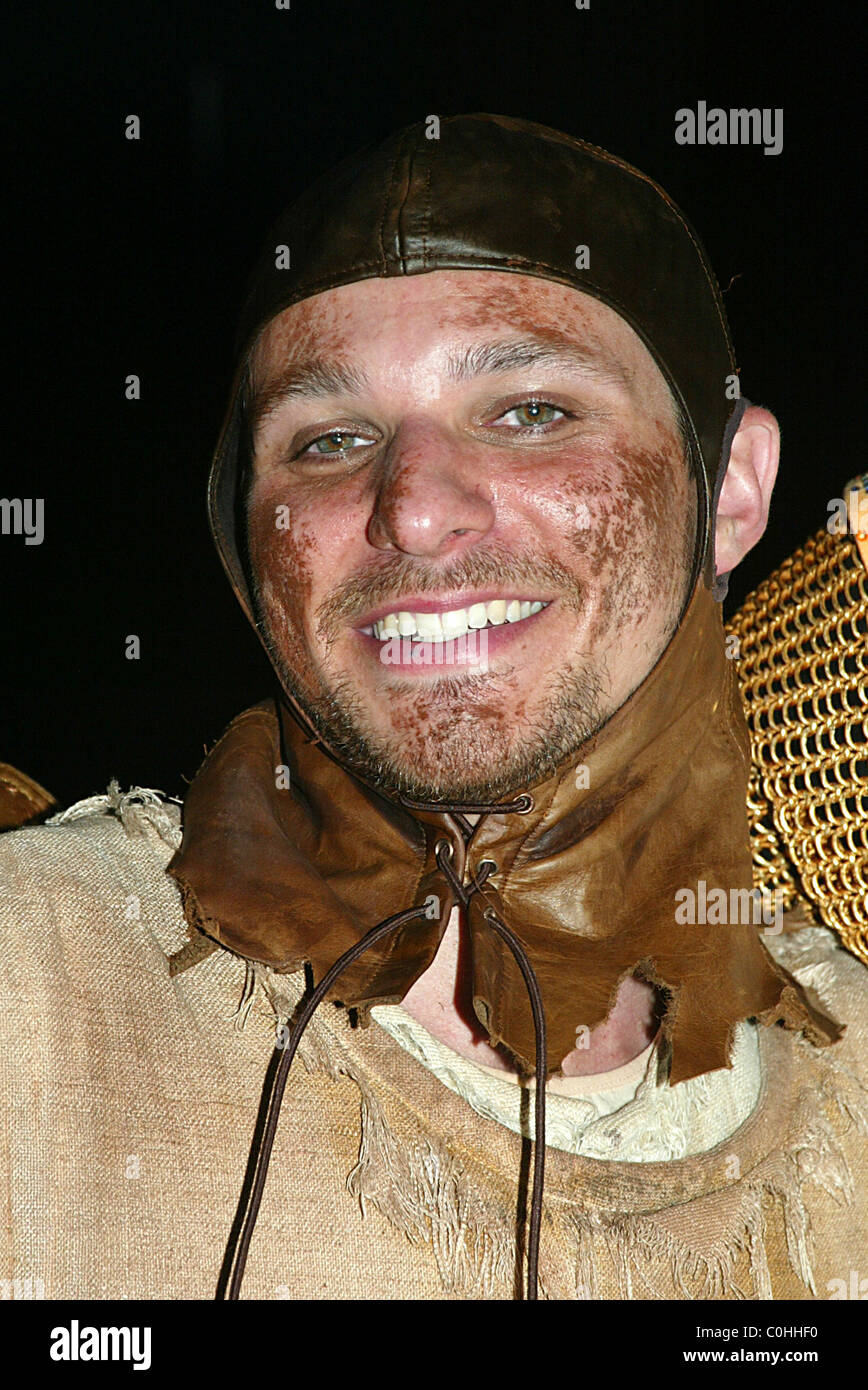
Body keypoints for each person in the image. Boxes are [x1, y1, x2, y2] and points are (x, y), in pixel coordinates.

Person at [1, 114, 865, 1301]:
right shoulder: (39, 989)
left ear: (731, 489)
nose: (410, 509)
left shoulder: (851, 1057)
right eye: (329, 438)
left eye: (527, 412)